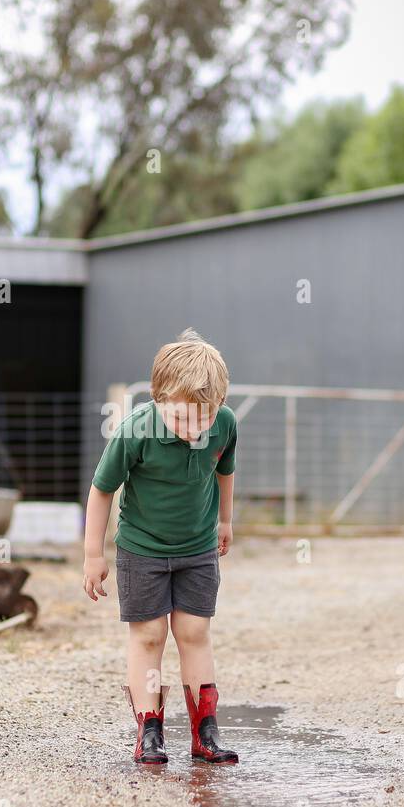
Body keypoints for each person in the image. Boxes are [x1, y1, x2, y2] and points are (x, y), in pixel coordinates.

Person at [83, 328, 239, 765]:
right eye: (181, 418)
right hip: (142, 549)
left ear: (219, 406)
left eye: (203, 418)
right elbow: (101, 490)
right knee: (149, 636)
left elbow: (225, 469)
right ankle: (149, 731)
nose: (194, 429)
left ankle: (204, 734)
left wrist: (225, 519)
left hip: (198, 547)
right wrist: (93, 554)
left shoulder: (224, 424)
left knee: (194, 632)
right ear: (158, 398)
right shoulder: (136, 431)